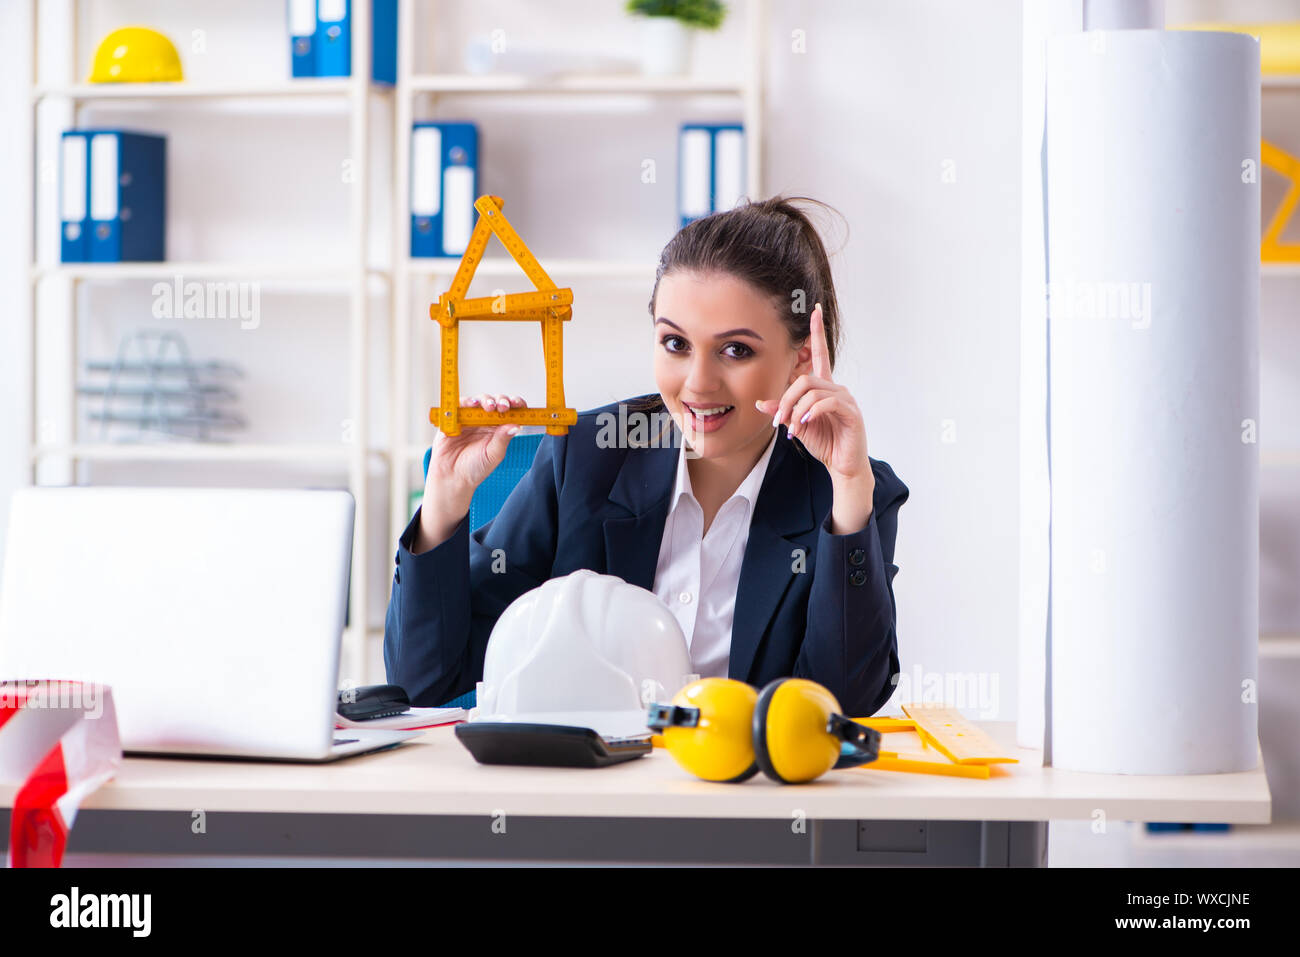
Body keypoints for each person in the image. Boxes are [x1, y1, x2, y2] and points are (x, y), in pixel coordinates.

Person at [384, 196, 909, 716]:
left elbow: (845, 700)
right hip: (595, 790)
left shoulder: (851, 492)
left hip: (746, 797)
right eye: (675, 344)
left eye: (736, 350)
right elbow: (424, 679)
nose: (698, 384)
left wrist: (848, 497)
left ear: (800, 361)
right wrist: (443, 504)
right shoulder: (588, 455)